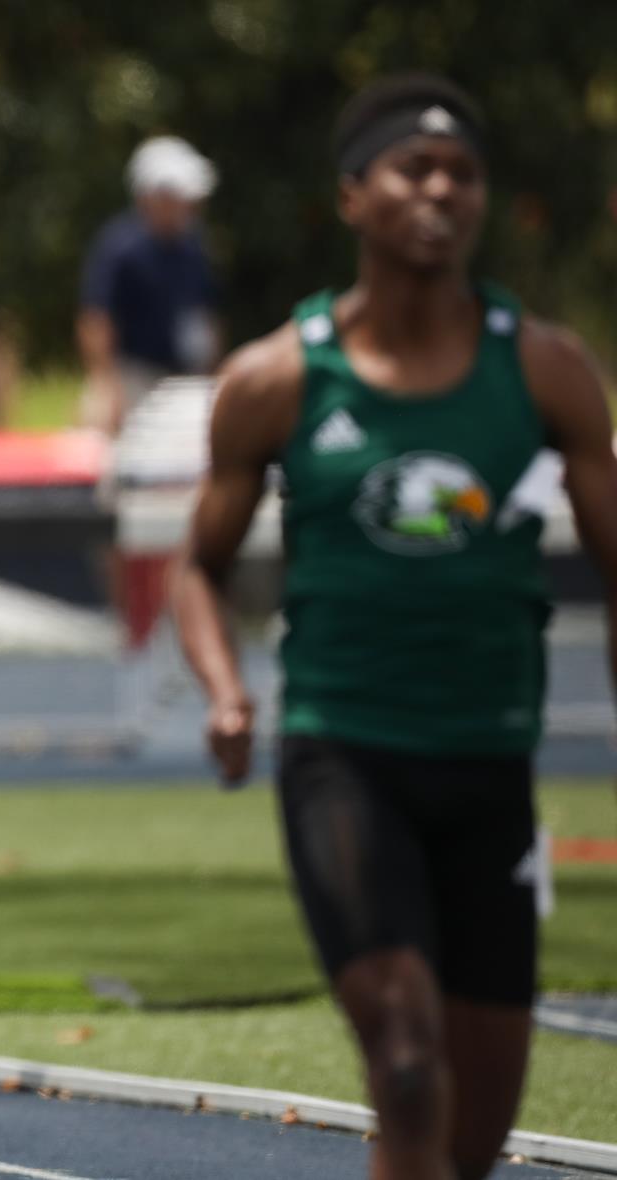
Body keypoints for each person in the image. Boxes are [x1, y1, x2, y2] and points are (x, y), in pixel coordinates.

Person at [170, 74, 617, 1180]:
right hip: (344, 754)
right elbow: (196, 569)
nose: (438, 190)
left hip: (488, 763)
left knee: (468, 1134)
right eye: (410, 169)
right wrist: (226, 690)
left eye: (460, 173)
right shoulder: (275, 378)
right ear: (351, 197)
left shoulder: (546, 368)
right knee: (407, 1066)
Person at [78, 134, 221, 436]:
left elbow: (206, 316)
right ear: (150, 196)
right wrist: (106, 386)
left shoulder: (193, 248)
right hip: (131, 378)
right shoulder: (120, 247)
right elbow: (97, 320)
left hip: (183, 380)